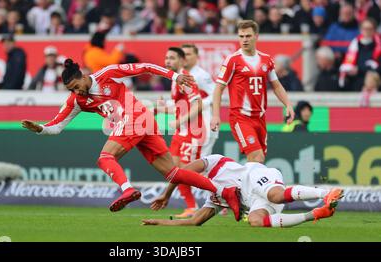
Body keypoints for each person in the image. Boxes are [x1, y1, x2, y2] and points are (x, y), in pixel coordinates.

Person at [21, 59, 241, 216]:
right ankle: (225, 191)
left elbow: (145, 67)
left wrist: (174, 75)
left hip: (136, 116)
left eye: (77, 87)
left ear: (84, 76)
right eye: (72, 90)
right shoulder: (76, 101)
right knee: (173, 173)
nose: (77, 92)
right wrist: (39, 128)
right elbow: (56, 126)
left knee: (105, 157)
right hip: (138, 124)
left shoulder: (107, 73)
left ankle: (127, 189)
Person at [142, 154, 343, 227]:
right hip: (255, 201)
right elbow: (195, 221)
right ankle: (316, 213)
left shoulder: (214, 162)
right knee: (255, 221)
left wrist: (166, 194)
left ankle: (326, 193)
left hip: (255, 177)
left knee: (276, 195)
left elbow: (182, 172)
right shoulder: (214, 197)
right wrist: (159, 223)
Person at [211, 20, 295, 164]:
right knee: (256, 157)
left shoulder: (266, 60)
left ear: (256, 36)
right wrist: (216, 115)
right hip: (241, 117)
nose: (244, 40)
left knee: (258, 162)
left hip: (260, 118)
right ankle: (243, 186)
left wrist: (288, 104)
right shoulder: (232, 60)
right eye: (241, 36)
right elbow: (218, 88)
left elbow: (276, 85)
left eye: (248, 36)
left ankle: (243, 185)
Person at [156, 47, 204, 219]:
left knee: (186, 172)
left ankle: (223, 194)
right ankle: (191, 207)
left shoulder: (186, 79)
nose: (168, 61)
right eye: (166, 57)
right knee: (175, 171)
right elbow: (180, 108)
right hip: (181, 133)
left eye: (172, 58)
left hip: (191, 132)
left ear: (182, 61)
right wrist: (162, 110)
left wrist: (179, 121)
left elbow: (198, 105)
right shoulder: (175, 80)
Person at [339, 18, 381, 91]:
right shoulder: (355, 44)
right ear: (361, 30)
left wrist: (359, 70)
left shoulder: (378, 45)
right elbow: (348, 62)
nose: (367, 31)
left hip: (373, 82)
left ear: (374, 30)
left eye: (369, 29)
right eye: (364, 28)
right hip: (356, 81)